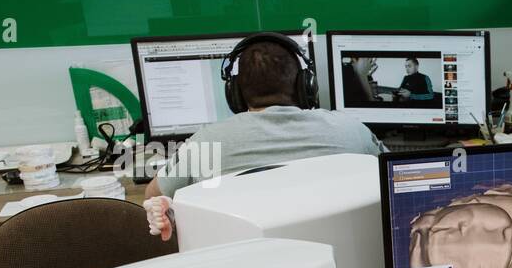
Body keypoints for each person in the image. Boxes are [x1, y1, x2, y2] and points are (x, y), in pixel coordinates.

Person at [142, 37, 384, 241]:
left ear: (234, 94)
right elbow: (401, 180)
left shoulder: (205, 144)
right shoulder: (352, 131)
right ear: (305, 86)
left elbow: (153, 195)